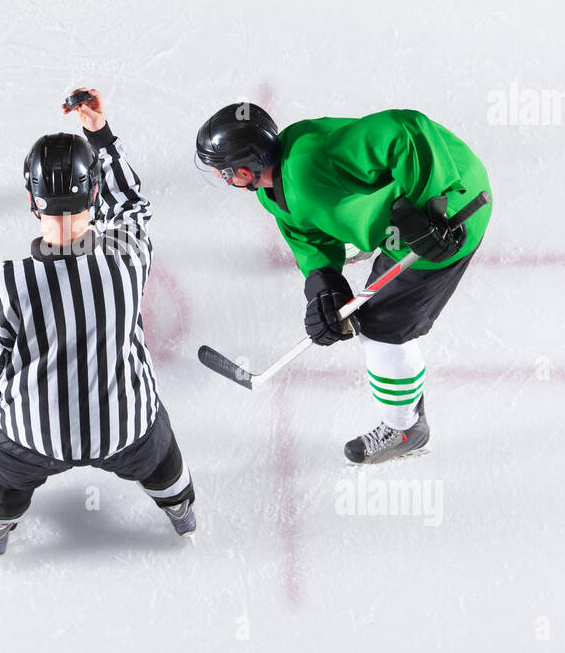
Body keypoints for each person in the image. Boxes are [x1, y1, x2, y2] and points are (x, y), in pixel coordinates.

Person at [195, 102, 492, 463]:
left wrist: (433, 208)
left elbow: (406, 128)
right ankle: (374, 233)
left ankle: (406, 429)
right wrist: (324, 288)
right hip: (423, 190)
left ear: (244, 169)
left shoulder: (310, 159)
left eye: (223, 171)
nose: (222, 178)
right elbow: (307, 237)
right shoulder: (273, 187)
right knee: (343, 231)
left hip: (455, 208)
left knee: (380, 329)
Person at [0, 89, 195, 555]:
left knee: (4, 474)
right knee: (160, 455)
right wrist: (99, 133)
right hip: (126, 429)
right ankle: (179, 508)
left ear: (31, 199)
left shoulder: (5, 282)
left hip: (34, 438)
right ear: (92, 191)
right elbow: (131, 206)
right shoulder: (128, 258)